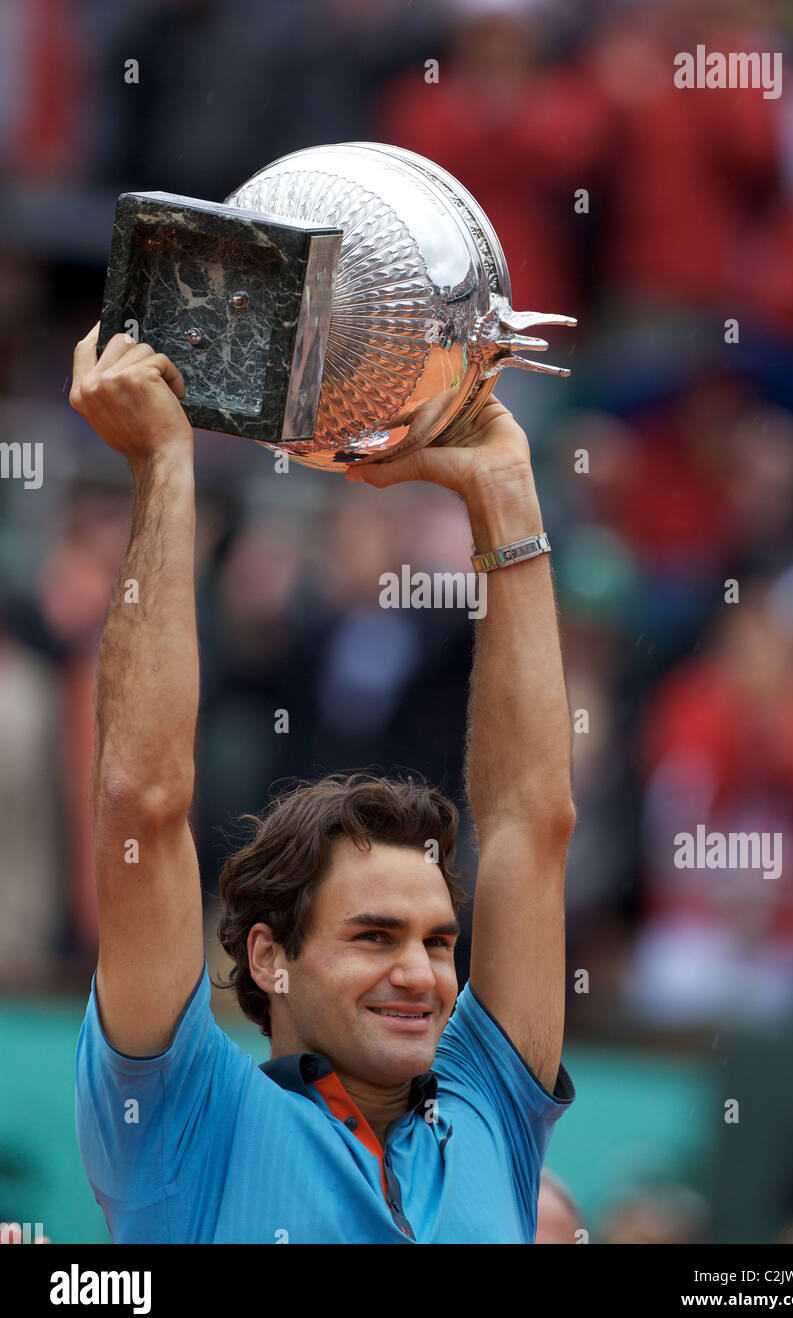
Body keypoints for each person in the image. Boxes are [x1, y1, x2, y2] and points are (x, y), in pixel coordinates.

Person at [69, 325, 577, 1244]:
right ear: (270, 959)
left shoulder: (491, 1110)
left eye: (437, 940)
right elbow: (139, 800)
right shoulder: (185, 1121)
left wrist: (503, 490)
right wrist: (166, 466)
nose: (420, 974)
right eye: (375, 936)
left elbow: (530, 824)